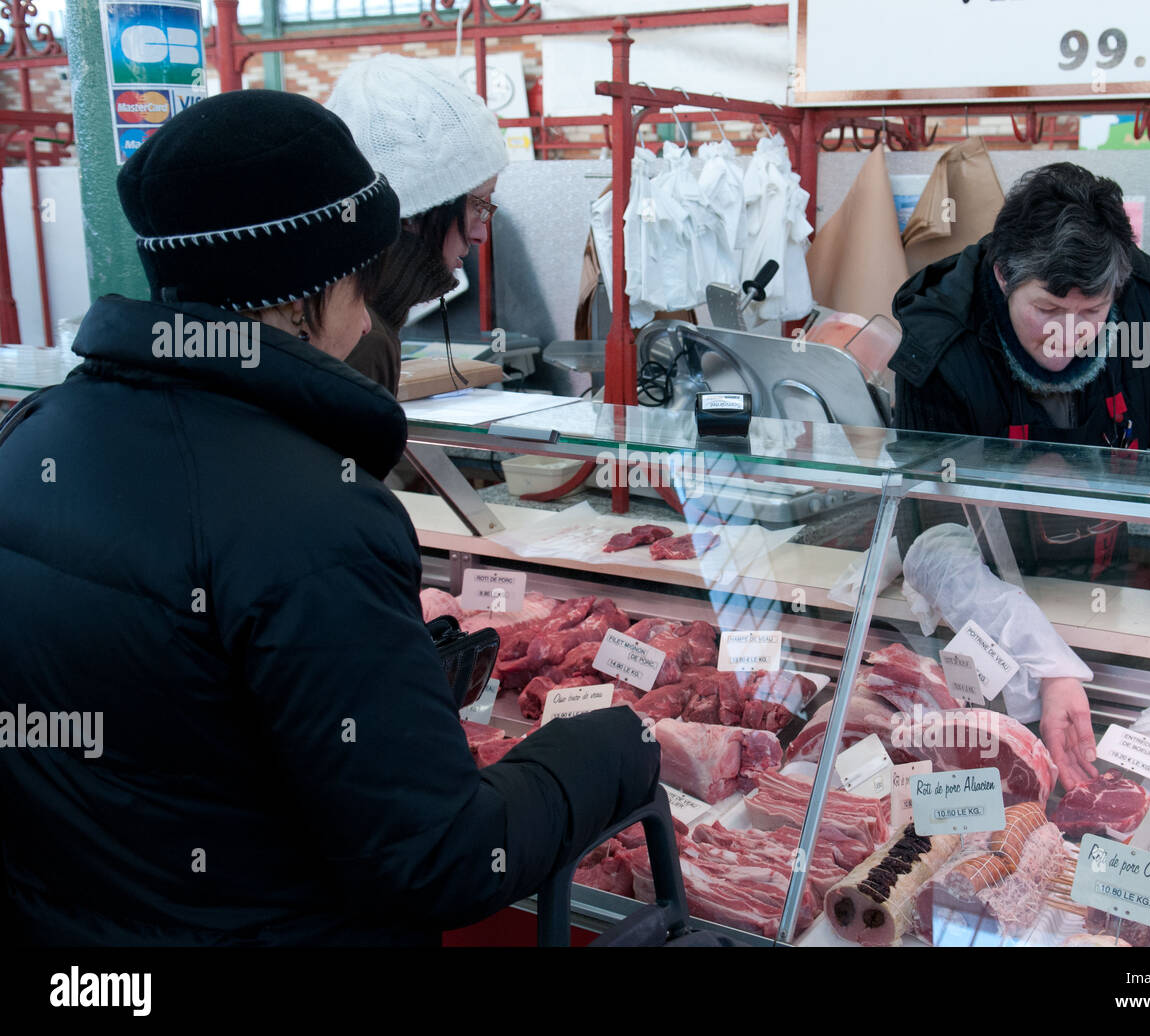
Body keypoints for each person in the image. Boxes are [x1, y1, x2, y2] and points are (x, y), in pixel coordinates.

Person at [0, 90, 658, 946]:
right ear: (308, 292)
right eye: (359, 265)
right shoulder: (313, 516)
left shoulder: (28, 439)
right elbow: (441, 859)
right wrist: (613, 748)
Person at [888, 162, 1150, 788]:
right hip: (979, 609)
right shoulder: (939, 341)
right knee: (1003, 772)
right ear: (1003, 275)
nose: (1068, 334)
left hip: (1103, 590)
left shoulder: (1135, 300)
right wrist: (1046, 664)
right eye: (1047, 308)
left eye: (1091, 313)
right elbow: (931, 539)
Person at [325, 54, 505, 396]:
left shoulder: (356, 314)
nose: (481, 234)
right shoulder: (361, 340)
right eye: (476, 205)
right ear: (414, 215)